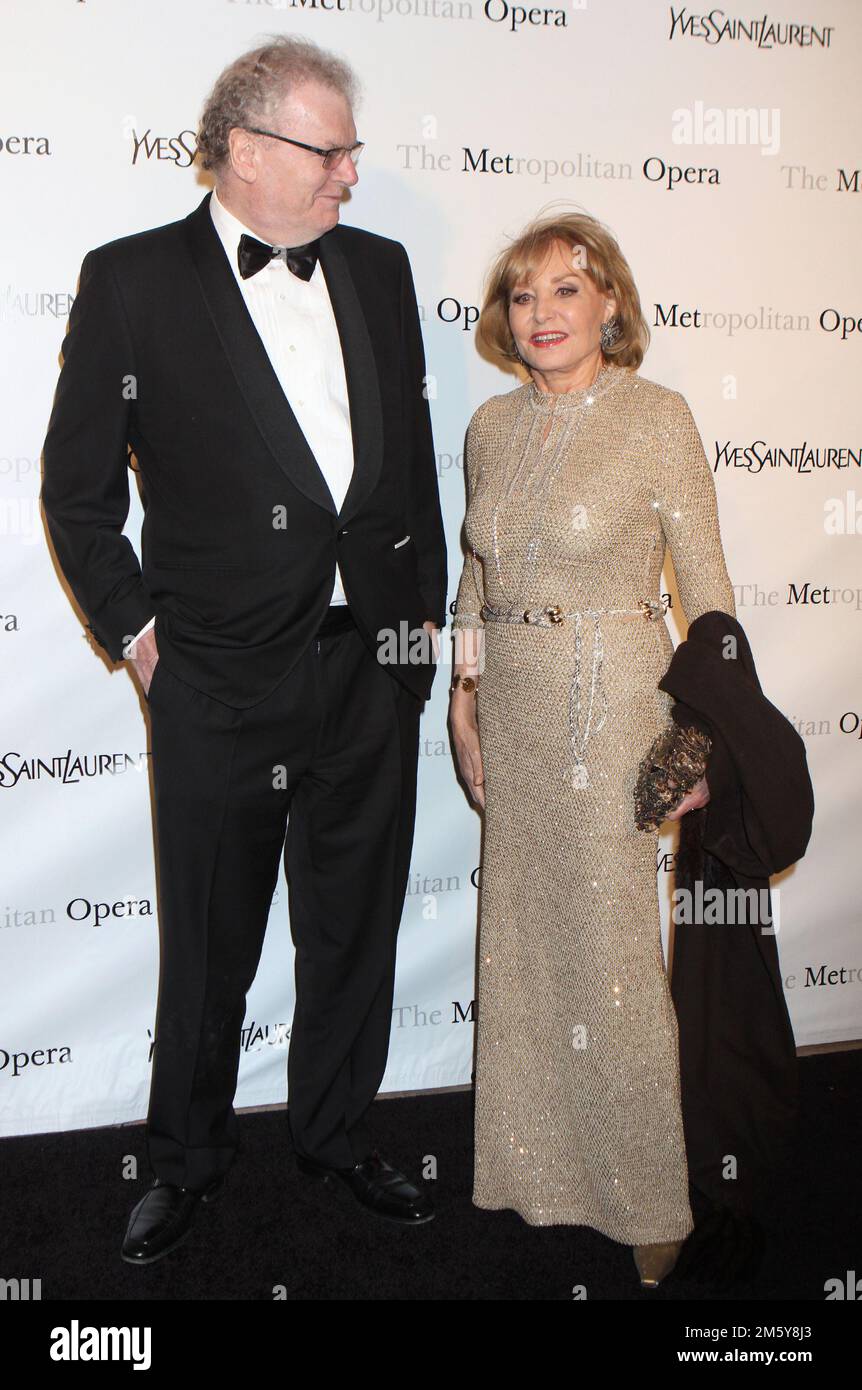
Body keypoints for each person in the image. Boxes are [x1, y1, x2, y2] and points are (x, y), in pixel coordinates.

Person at [41, 35, 447, 1265]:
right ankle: (183, 1160)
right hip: (218, 678)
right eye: (332, 151)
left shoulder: (377, 269)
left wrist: (417, 634)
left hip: (366, 669)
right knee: (209, 943)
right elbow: (76, 492)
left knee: (355, 929)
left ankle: (335, 1133)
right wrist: (139, 638)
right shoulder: (131, 281)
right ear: (245, 149)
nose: (351, 175)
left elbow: (409, 473)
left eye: (353, 151)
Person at [448, 211, 735, 1289]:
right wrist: (463, 700)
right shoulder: (489, 426)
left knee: (613, 959)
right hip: (513, 709)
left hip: (611, 706)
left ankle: (650, 1197)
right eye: (523, 295)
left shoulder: (657, 417)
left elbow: (707, 593)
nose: (542, 313)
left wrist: (700, 733)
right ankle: (534, 1167)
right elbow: (473, 582)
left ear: (609, 302)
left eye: (566, 289)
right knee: (521, 946)